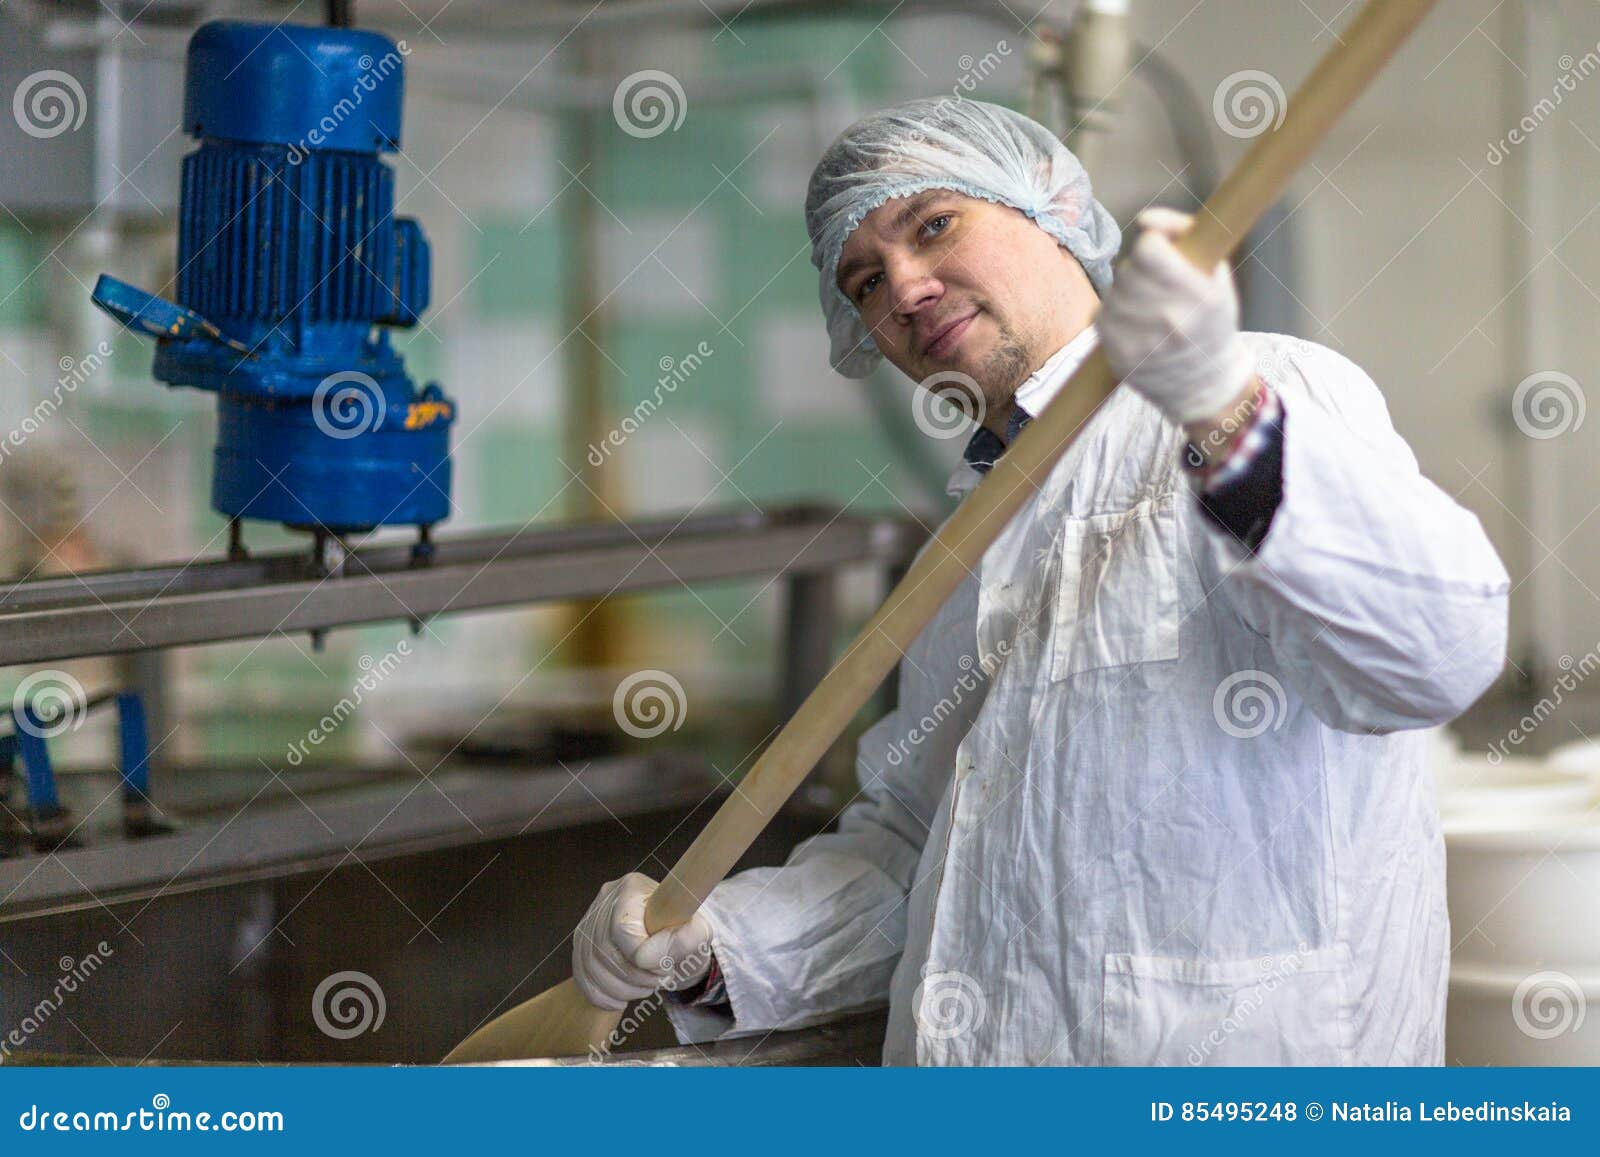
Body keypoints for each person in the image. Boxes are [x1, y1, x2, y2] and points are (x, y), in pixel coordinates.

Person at [570, 97, 1510, 1065]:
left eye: (933, 225)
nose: (904, 287)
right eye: (863, 281)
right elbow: (916, 845)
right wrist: (714, 948)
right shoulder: (975, 530)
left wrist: (1223, 410)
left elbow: (1432, 655)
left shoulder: (1270, 391)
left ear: (1052, 208)